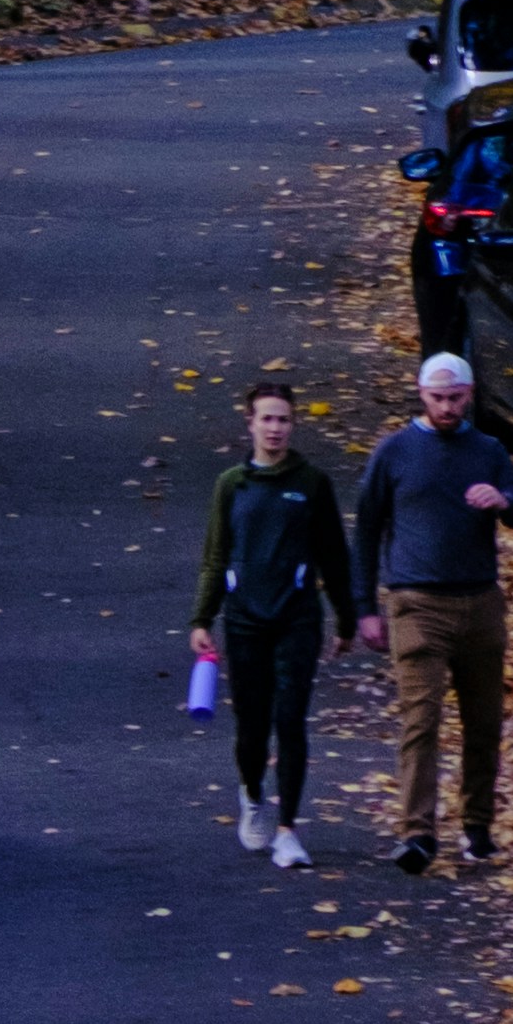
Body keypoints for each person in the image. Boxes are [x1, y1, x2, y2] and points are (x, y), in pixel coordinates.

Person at [353, 345, 513, 870]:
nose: (448, 407)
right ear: (421, 395)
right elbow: (366, 530)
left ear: (471, 396)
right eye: (438, 398)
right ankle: (417, 833)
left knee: (484, 723)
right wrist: (365, 606)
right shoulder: (394, 452)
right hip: (416, 602)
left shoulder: (489, 451)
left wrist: (502, 502)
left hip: (480, 601)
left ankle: (477, 827)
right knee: (421, 720)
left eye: (456, 398)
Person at [189, 370, 356, 871]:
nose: (276, 429)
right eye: (267, 419)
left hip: (297, 617)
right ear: (251, 425)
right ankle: (252, 794)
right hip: (244, 620)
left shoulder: (311, 484)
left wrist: (346, 620)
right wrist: (202, 617)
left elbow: (334, 556)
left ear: (294, 425)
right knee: (252, 726)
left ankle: (288, 831)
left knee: (291, 719)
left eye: (284, 420)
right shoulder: (231, 486)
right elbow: (216, 557)